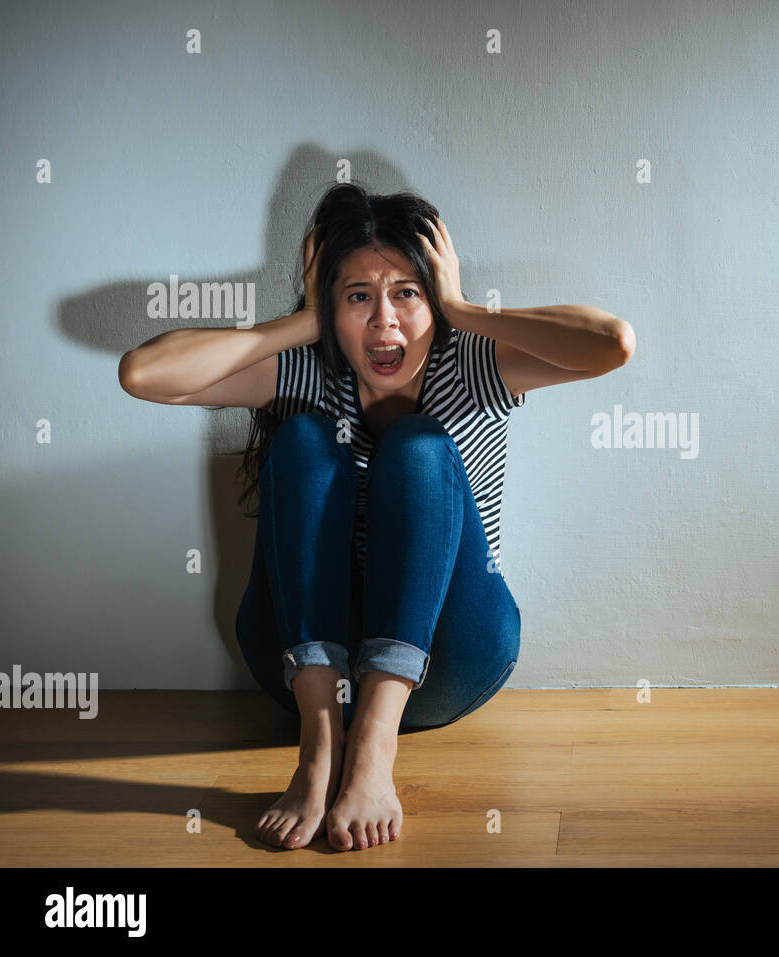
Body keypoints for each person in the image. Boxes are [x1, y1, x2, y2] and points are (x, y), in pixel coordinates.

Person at [118, 181, 635, 851]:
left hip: (450, 657)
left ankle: (373, 751)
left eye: (406, 295)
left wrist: (463, 309)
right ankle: (319, 749)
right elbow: (143, 373)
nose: (384, 322)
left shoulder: (469, 364)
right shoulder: (310, 368)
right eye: (358, 296)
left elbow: (612, 343)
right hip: (312, 670)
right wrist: (300, 325)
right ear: (331, 308)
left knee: (416, 444)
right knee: (301, 439)